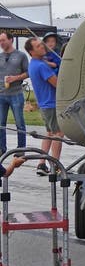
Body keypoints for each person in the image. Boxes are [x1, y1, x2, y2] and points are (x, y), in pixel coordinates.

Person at [24, 37, 63, 176]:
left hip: (44, 104)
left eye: (42, 45)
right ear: (31, 52)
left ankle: (42, 163)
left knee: (50, 133)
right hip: (51, 103)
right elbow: (58, 84)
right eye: (38, 46)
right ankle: (56, 165)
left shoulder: (34, 64)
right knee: (58, 134)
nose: (43, 47)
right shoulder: (41, 66)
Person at [0, 32, 29, 160]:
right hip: (1, 95)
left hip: (16, 94)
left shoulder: (21, 55)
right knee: (1, 123)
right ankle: (2, 148)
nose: (1, 43)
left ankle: (21, 149)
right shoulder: (0, 56)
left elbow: (28, 72)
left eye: (3, 40)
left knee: (19, 123)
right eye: (0, 41)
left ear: (11, 40)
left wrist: (15, 78)